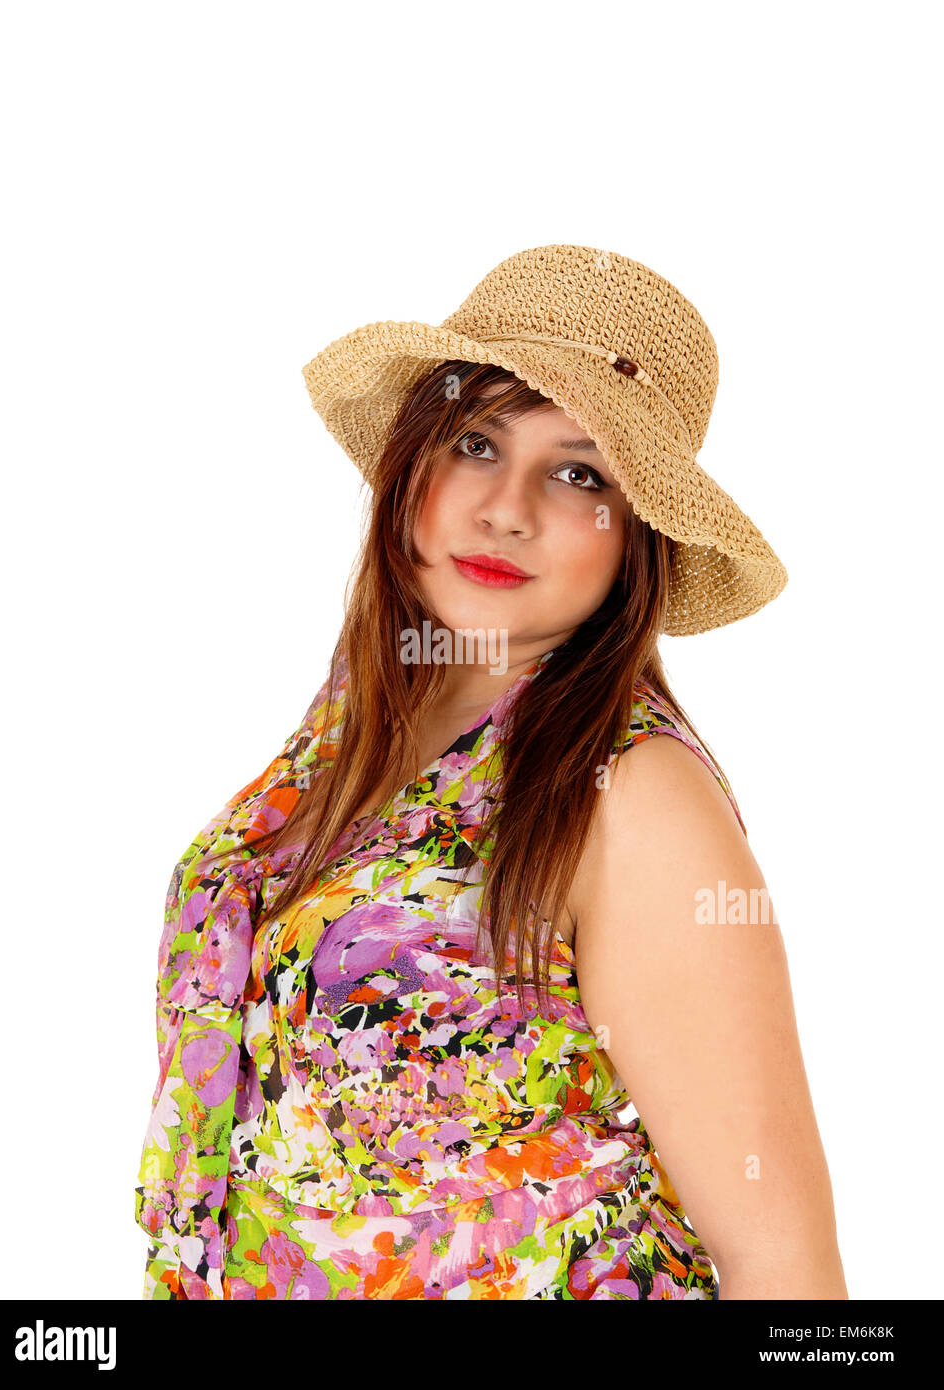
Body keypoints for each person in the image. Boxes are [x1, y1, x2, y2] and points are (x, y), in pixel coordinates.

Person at [134, 244, 847, 1300]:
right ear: (414, 462)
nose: (506, 507)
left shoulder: (633, 799)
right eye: (476, 442)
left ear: (635, 536)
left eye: (577, 473)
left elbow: (782, 1267)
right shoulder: (337, 751)